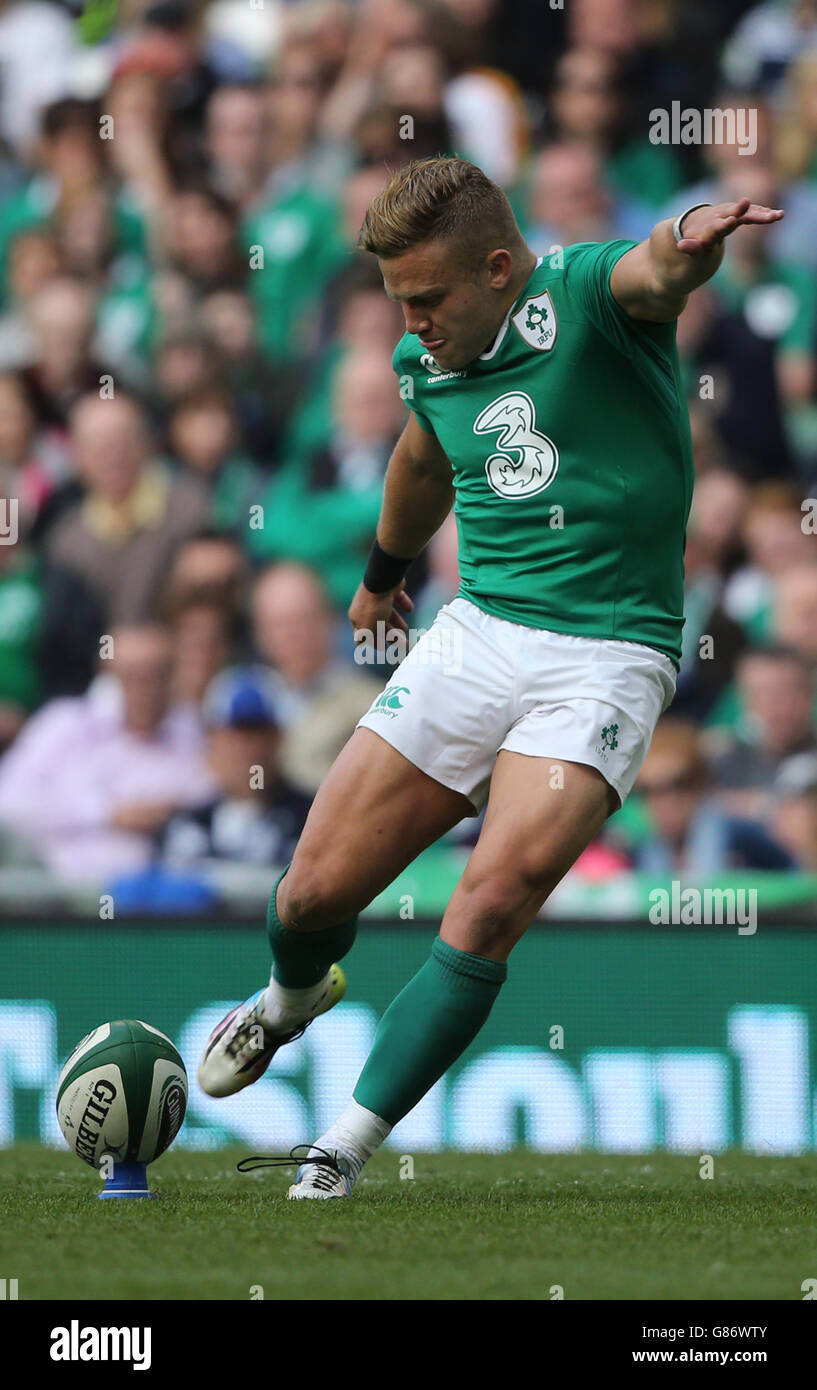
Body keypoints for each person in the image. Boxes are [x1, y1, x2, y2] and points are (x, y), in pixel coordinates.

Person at [197, 155, 785, 1198]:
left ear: (501, 268)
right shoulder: (430, 356)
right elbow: (425, 459)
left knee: (492, 896)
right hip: (479, 635)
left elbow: (655, 270)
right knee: (310, 895)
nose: (412, 322)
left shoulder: (582, 293)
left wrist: (693, 232)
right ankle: (290, 1000)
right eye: (397, 302)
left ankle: (339, 1148)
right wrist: (382, 574)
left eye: (427, 299)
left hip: (605, 655)